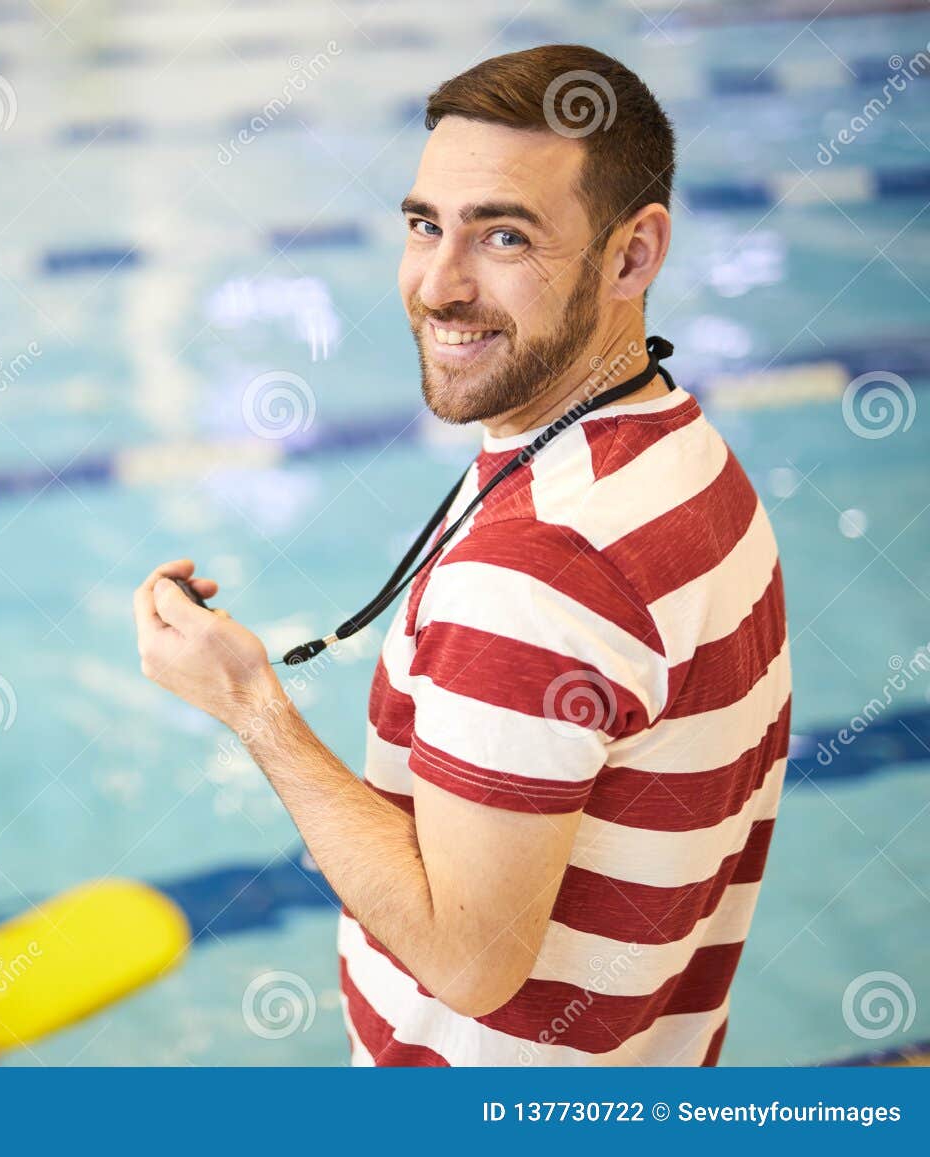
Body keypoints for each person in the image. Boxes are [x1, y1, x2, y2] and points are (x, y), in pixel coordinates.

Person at [134, 45, 789, 1066]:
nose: (438, 286)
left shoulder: (534, 574)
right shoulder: (687, 459)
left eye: (505, 235)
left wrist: (250, 704)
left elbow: (469, 959)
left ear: (632, 256)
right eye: (424, 225)